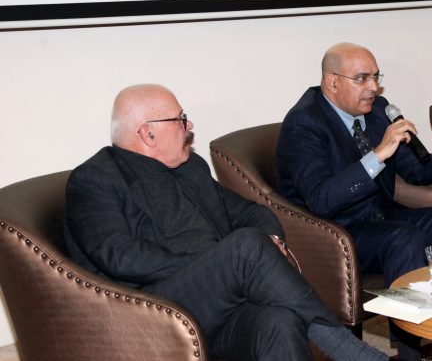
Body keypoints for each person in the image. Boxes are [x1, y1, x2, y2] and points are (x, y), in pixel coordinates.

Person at [64, 84, 387, 361]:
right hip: (154, 308)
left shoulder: (191, 168)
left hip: (220, 303)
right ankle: (353, 353)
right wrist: (217, 265)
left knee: (281, 319)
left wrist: (269, 241)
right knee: (244, 247)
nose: (189, 125)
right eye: (179, 119)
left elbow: (251, 212)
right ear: (147, 132)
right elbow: (120, 256)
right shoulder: (96, 179)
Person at [277, 42, 432, 288]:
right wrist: (378, 154)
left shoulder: (378, 109)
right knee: (403, 238)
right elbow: (321, 200)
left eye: (375, 77)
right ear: (333, 83)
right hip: (336, 233)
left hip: (382, 217)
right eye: (362, 79)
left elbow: (416, 169)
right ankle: (411, 325)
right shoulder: (304, 124)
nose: (373, 87)